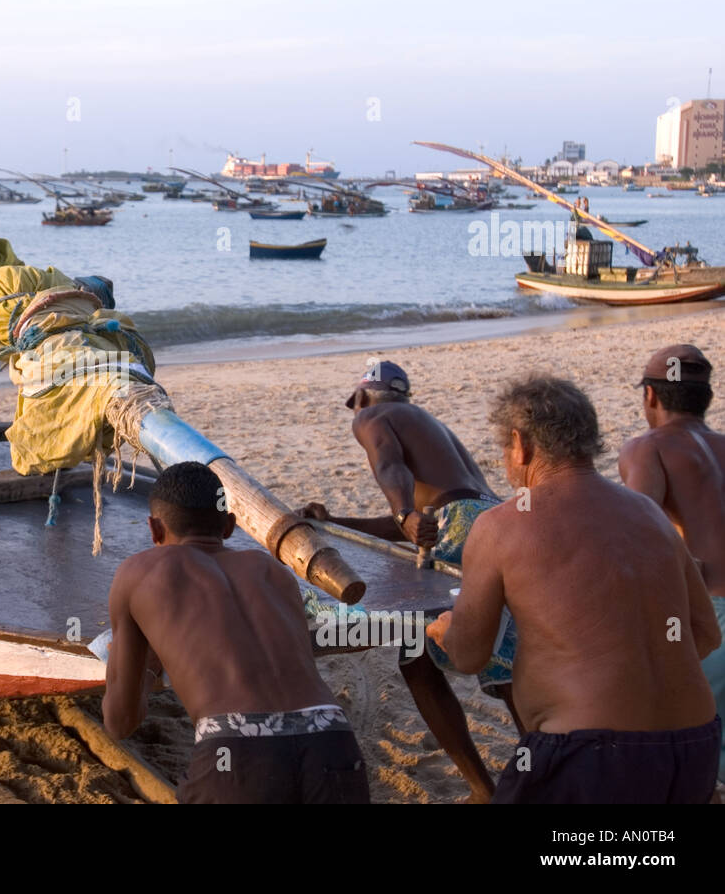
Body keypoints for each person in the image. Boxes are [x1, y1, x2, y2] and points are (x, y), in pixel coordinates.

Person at [428, 375, 721, 803]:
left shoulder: (501, 525)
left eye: (505, 450)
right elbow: (706, 634)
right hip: (694, 746)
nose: (507, 463)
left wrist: (445, 630)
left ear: (520, 443)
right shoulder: (648, 514)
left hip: (590, 755)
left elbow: (471, 655)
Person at [300, 360, 513, 801]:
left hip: (458, 525)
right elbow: (434, 512)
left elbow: (390, 468)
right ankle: (541, 775)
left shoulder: (371, 416)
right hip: (494, 521)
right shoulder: (430, 427)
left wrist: (404, 511)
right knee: (498, 663)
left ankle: (483, 788)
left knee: (417, 657)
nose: (356, 417)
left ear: (361, 398)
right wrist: (339, 521)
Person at [102, 461, 369, 804]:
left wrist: (149, 662)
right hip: (332, 740)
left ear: (154, 530)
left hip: (237, 748)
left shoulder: (137, 572)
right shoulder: (274, 572)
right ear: (228, 525)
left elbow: (120, 721)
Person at [619, 344, 725, 783]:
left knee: (688, 750)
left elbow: (639, 536)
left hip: (712, 614)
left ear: (650, 397)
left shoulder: (647, 447)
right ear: (707, 398)